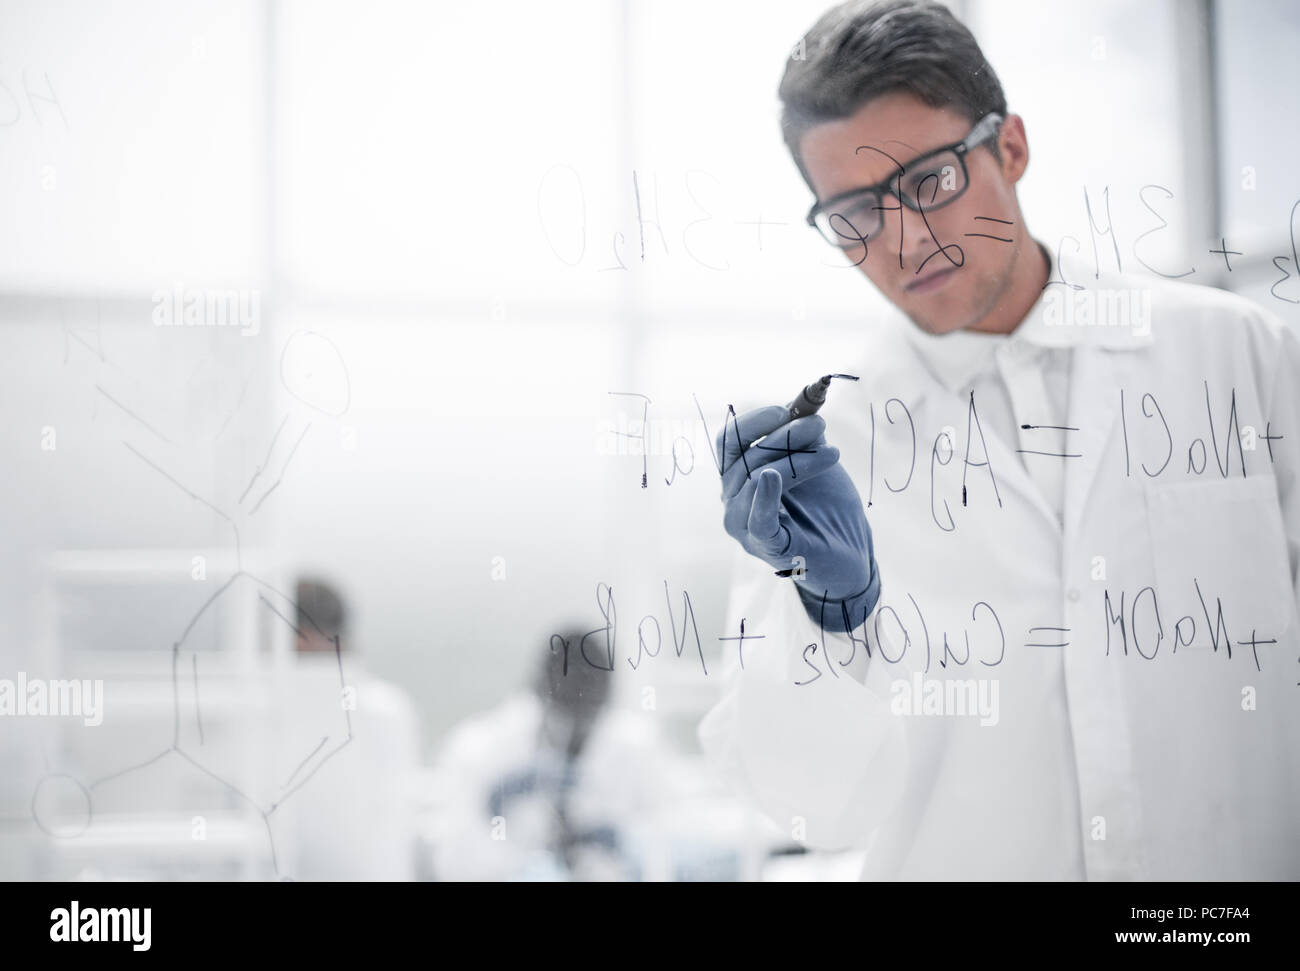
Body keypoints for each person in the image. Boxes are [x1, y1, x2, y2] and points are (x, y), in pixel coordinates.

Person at [698, 0, 1300, 880]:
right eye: (855, 214)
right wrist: (829, 620)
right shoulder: (829, 457)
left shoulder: (1236, 352)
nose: (902, 239)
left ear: (1010, 148)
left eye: (930, 180)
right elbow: (814, 809)